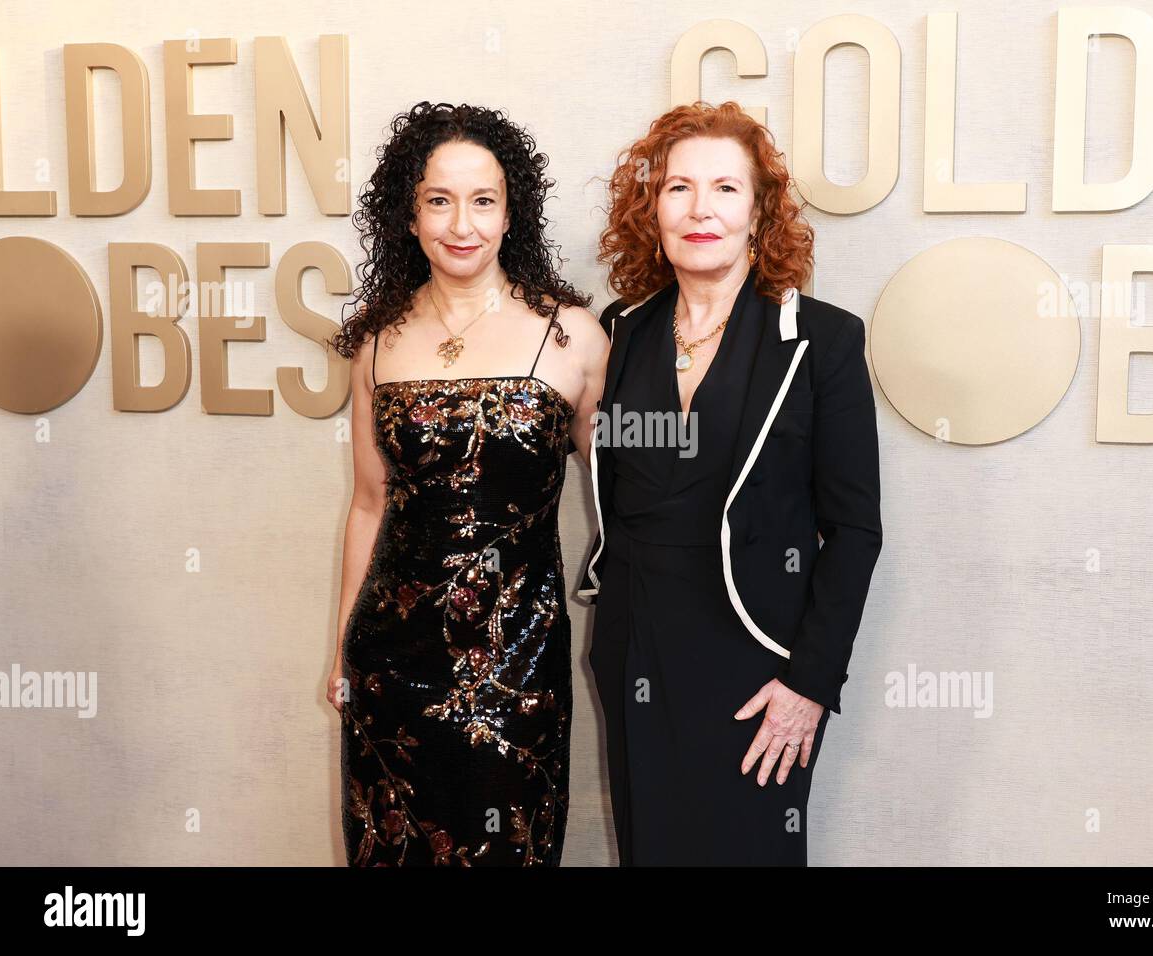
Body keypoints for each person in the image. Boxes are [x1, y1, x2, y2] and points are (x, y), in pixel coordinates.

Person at [579, 101, 883, 865]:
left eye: (725, 188)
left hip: (757, 663)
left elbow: (854, 531)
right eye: (678, 188)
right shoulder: (619, 331)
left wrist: (810, 682)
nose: (700, 209)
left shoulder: (822, 340)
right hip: (638, 648)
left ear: (760, 213)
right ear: (651, 209)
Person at [326, 101, 607, 866]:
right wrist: (342, 649)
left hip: (518, 660)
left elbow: (626, 496)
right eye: (438, 200)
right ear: (408, 216)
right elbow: (367, 504)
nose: (462, 223)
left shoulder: (572, 334)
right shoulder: (377, 345)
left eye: (483, 200)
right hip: (391, 659)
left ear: (511, 212)